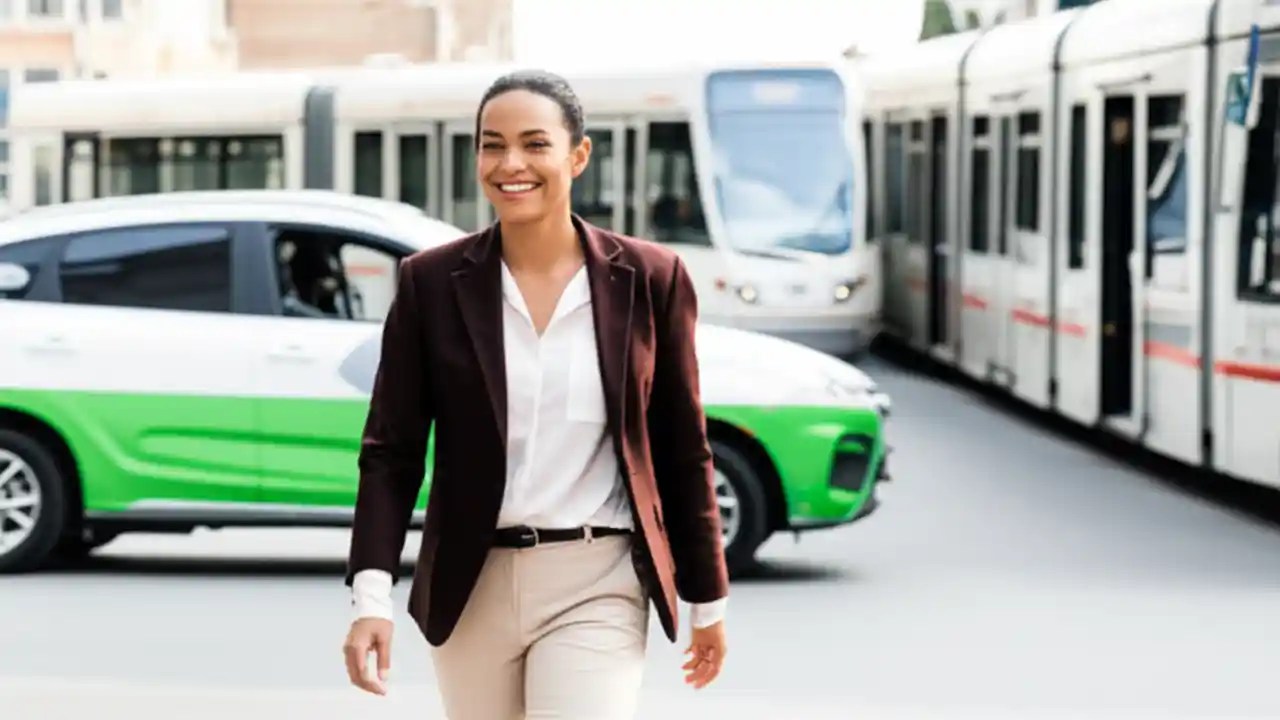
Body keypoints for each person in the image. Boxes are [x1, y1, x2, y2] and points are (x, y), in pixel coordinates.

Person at [340, 68, 730, 719]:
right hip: (470, 581)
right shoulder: (430, 284)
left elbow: (681, 448)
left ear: (578, 155)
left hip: (598, 578)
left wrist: (707, 600)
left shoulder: (650, 278)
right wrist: (370, 601)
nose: (510, 164)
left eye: (535, 143)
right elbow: (391, 453)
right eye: (492, 145)